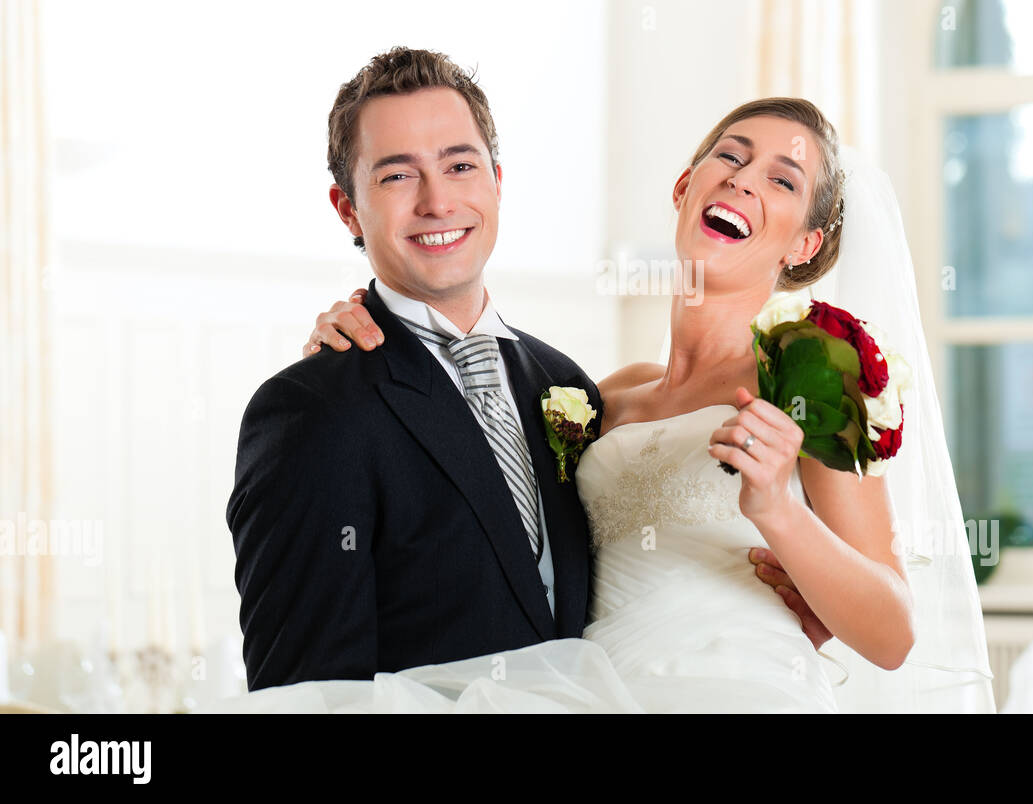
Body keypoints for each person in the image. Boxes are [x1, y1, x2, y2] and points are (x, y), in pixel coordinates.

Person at [224, 48, 820, 697]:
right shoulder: (310, 409)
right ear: (347, 209)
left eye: (459, 165)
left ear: (497, 182)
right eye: (398, 176)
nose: (437, 200)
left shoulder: (566, 387)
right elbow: (303, 698)